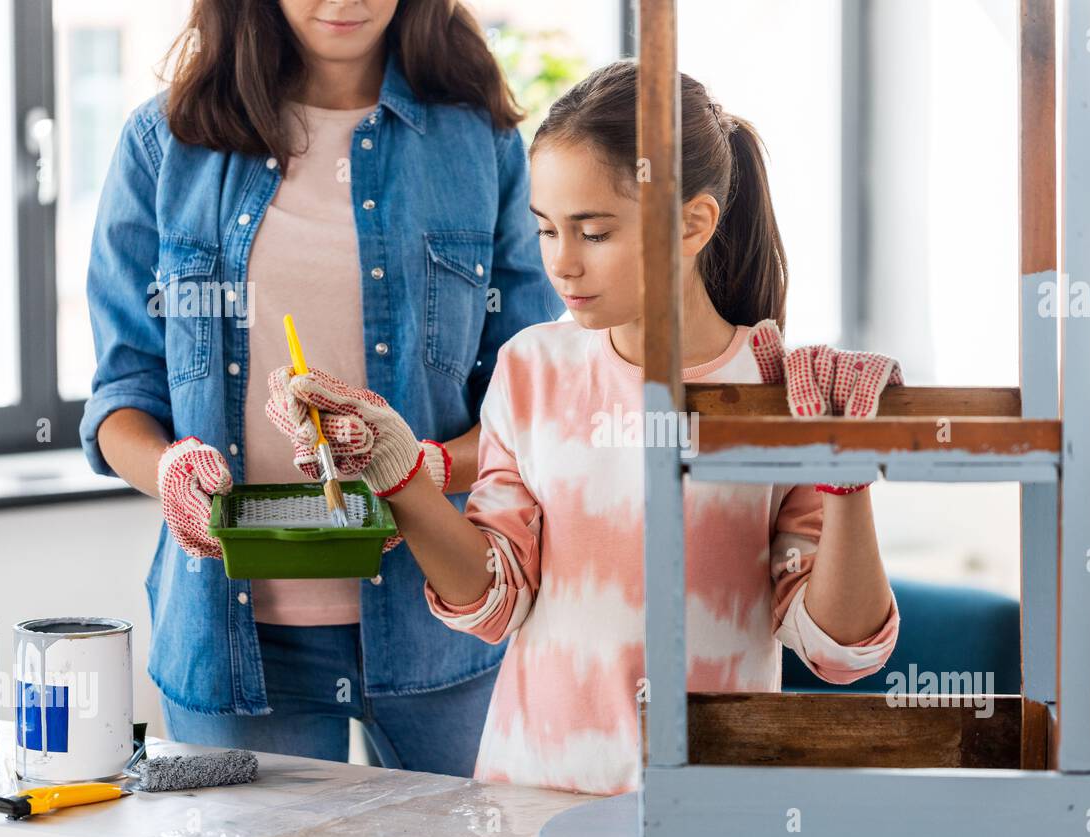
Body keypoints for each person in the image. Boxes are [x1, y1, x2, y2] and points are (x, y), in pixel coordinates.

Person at [264, 60, 902, 795]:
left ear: (694, 223)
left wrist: (846, 475)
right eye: (546, 230)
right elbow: (495, 601)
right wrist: (400, 477)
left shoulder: (782, 391)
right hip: (531, 796)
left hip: (713, 805)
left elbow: (842, 650)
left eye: (593, 232)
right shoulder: (533, 369)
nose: (562, 264)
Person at [80, 0, 561, 772]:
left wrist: (422, 473)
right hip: (234, 640)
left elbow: (532, 401)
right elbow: (122, 391)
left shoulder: (482, 145)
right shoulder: (162, 144)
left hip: (443, 624)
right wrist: (168, 472)